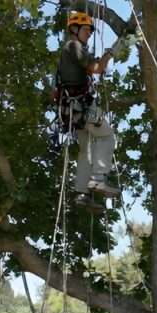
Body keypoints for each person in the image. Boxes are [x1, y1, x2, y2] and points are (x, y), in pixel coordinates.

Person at [55, 11, 119, 211]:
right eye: (86, 30)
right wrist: (111, 53)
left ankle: (82, 193)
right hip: (82, 107)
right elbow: (98, 68)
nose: (89, 34)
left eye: (90, 32)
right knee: (107, 137)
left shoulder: (67, 53)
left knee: (86, 151)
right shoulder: (73, 46)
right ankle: (99, 179)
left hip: (71, 112)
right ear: (74, 30)